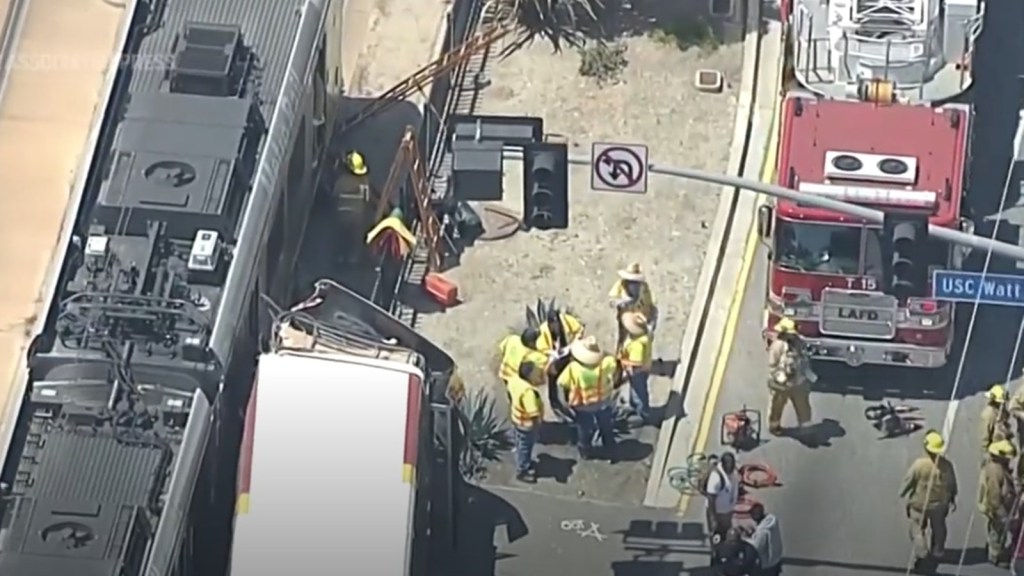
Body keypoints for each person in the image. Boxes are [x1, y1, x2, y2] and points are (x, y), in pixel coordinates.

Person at [900, 430, 959, 573]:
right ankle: (938, 550)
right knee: (939, 527)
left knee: (917, 528)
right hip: (939, 505)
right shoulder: (947, 466)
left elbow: (909, 481)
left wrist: (903, 492)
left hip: (919, 504)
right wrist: (952, 498)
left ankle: (923, 553)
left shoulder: (919, 464)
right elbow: (952, 484)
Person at [557, 336, 618, 461]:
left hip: (582, 405)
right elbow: (614, 361)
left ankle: (585, 451)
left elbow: (561, 383)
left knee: (584, 429)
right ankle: (610, 449)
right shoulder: (605, 364)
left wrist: (564, 402)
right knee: (606, 426)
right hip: (602, 402)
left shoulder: (574, 368)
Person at [766, 317, 815, 436]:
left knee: (803, 406)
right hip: (781, 385)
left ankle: (805, 427)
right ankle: (774, 426)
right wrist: (780, 377)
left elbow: (804, 360)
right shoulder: (777, 346)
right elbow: (772, 365)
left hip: (798, 383)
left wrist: (807, 374)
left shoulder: (800, 343)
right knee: (776, 406)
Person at [536, 307, 584, 418]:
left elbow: (579, 330)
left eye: (556, 323)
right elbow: (540, 347)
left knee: (569, 377)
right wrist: (552, 353)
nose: (555, 327)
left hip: (567, 354)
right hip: (554, 359)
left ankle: (569, 398)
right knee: (553, 379)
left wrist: (573, 344)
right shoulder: (543, 330)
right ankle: (554, 402)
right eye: (552, 324)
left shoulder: (567, 321)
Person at [979, 439, 1017, 566]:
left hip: (1000, 506)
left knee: (996, 530)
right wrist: (1002, 513)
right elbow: (994, 496)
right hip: (997, 508)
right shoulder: (995, 471)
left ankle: (993, 548)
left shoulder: (998, 468)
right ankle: (995, 556)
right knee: (997, 531)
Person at [507, 360, 544, 483]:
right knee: (525, 448)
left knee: (519, 442)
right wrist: (538, 424)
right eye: (535, 372)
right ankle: (522, 470)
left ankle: (520, 458)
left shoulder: (514, 380)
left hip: (516, 418)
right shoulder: (528, 393)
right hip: (526, 425)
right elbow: (533, 413)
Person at [608, 262, 657, 347]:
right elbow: (612, 301)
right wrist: (623, 301)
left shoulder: (644, 288)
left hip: (640, 318)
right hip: (625, 318)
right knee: (623, 340)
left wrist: (651, 320)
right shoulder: (621, 284)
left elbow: (650, 304)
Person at [618, 312, 653, 424]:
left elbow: (636, 363)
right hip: (642, 369)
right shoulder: (643, 336)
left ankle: (642, 413)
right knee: (635, 390)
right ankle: (634, 407)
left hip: (638, 371)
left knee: (638, 392)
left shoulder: (637, 345)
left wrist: (624, 363)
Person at [703, 452, 741, 540]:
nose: (731, 468)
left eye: (732, 465)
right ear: (723, 465)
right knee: (717, 536)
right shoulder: (716, 478)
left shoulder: (733, 472)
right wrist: (713, 519)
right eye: (729, 466)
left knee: (727, 533)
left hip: (727, 512)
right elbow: (711, 499)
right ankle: (716, 551)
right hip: (718, 513)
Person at [744, 503, 783, 576]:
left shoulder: (762, 531)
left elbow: (756, 547)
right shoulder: (771, 522)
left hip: (767, 565)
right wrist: (754, 533)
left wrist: (744, 539)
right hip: (776, 559)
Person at [981, 384, 1013, 457]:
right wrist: (986, 451)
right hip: (995, 448)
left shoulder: (1000, 411)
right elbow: (985, 434)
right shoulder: (989, 415)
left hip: (1003, 443)